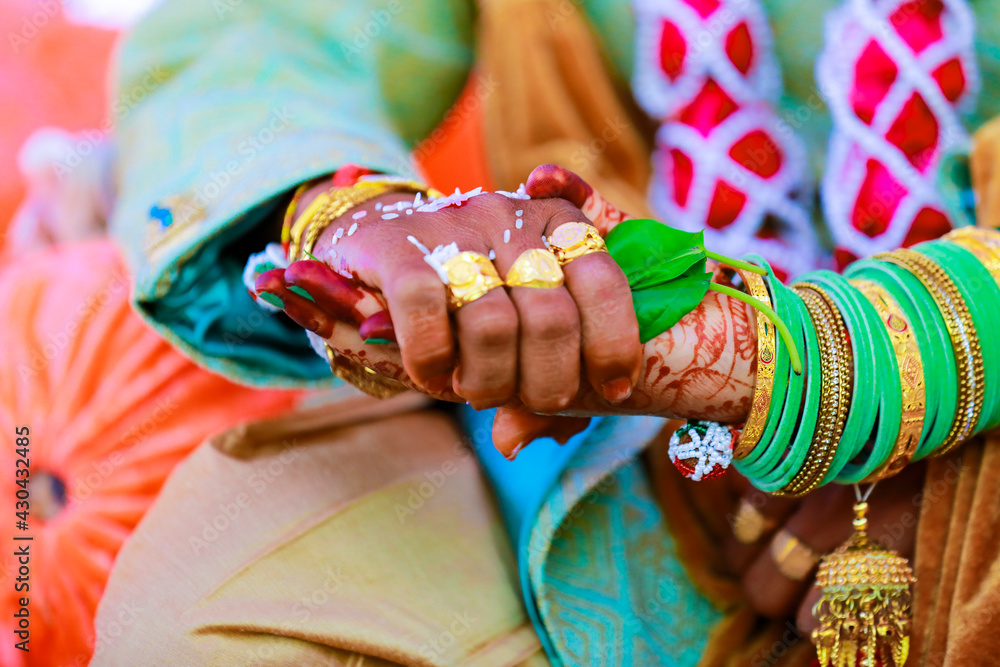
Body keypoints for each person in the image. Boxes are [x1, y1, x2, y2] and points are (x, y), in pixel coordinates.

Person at [94, 0, 1000, 664]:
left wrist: (856, 371)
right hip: (617, 426)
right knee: (214, 619)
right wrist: (342, 216)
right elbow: (267, 35)